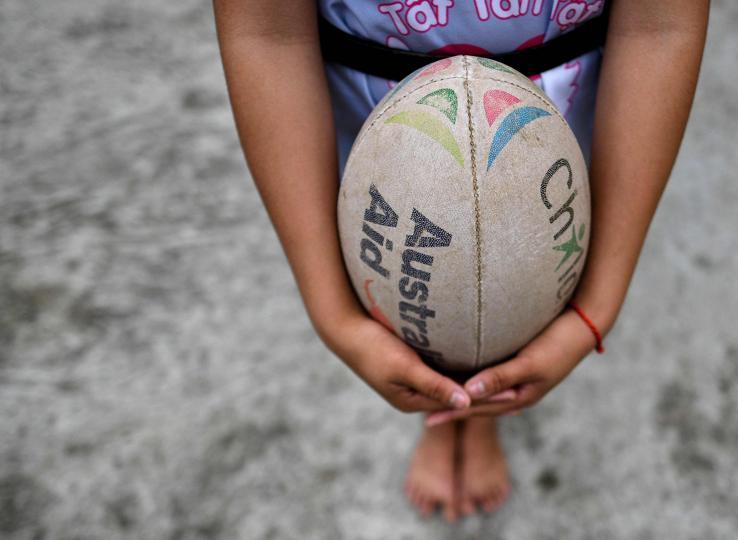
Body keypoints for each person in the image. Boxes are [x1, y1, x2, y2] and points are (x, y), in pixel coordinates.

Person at [213, 0, 708, 523]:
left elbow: (660, 23)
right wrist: (333, 312)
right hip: (377, 102)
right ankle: (445, 409)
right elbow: (266, 30)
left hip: (558, 98)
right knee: (420, 277)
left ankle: (481, 406)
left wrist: (597, 303)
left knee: (516, 273)